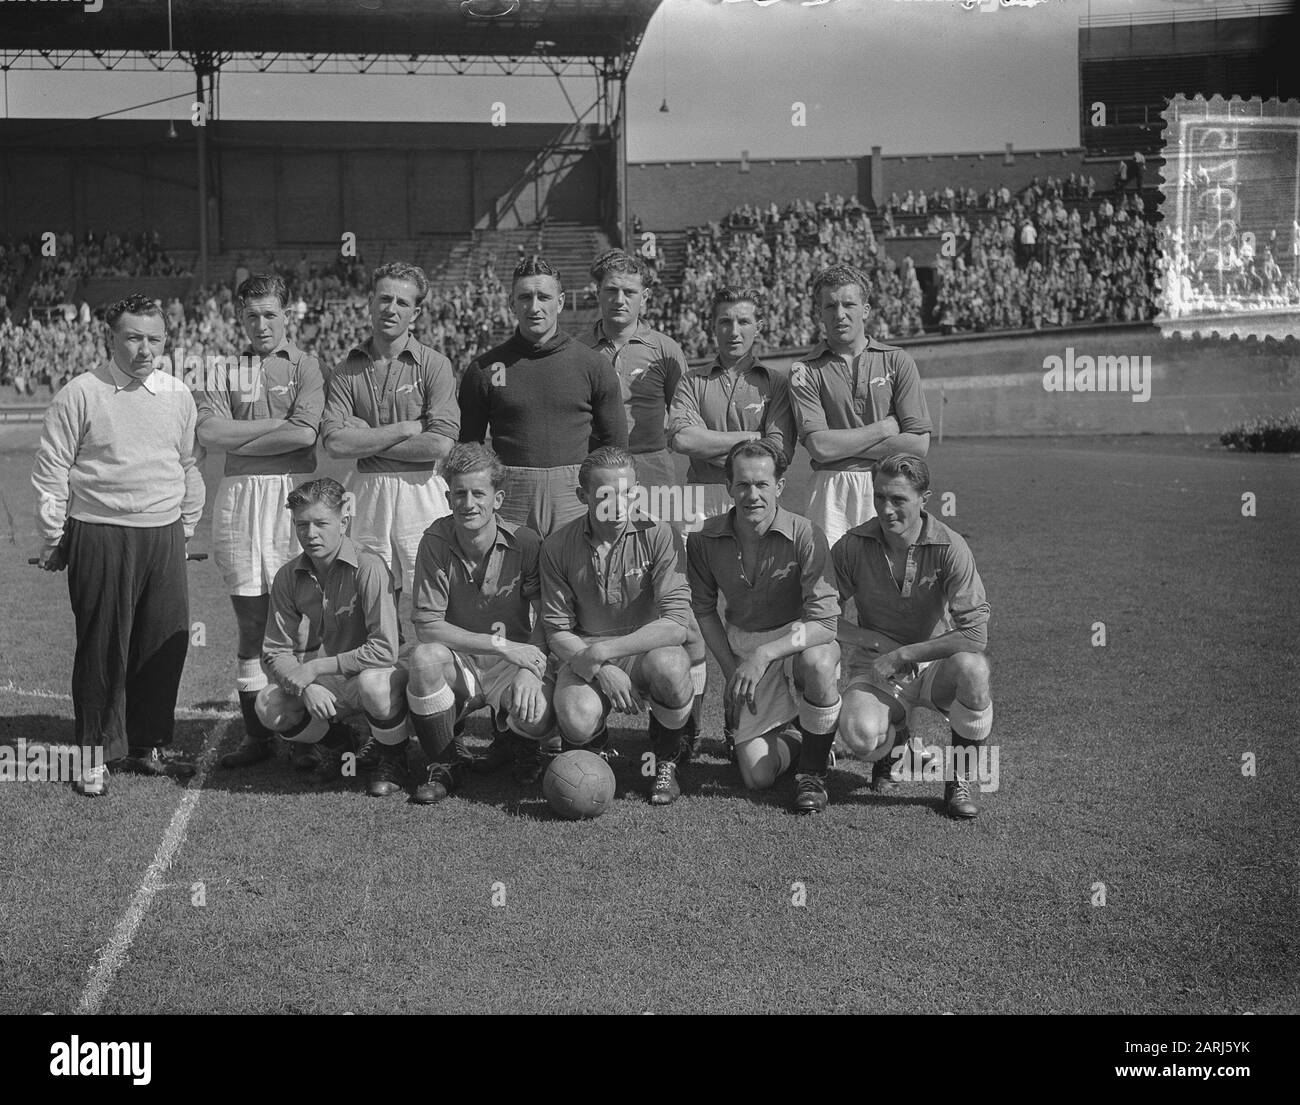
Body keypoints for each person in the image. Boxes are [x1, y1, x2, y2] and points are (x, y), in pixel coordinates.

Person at [31, 292, 205, 797]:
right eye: (133, 337)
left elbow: (189, 467)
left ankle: (147, 743)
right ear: (110, 338)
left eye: (154, 338)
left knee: (161, 645)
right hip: (100, 531)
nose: (144, 348)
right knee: (104, 648)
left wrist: (185, 527)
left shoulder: (177, 394)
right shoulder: (81, 393)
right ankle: (93, 753)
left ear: (166, 340)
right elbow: (51, 471)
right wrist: (53, 535)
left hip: (164, 534)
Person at [579, 248, 707, 763]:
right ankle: (588, 715)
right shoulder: (577, 349)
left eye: (629, 291)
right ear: (597, 294)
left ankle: (684, 720)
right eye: (610, 289)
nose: (619, 299)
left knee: (669, 589)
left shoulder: (665, 349)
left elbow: (683, 413)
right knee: (596, 577)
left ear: (645, 297)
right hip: (596, 475)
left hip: (653, 473)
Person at [195, 274, 327, 772]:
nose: (261, 324)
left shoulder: (307, 366)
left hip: (292, 497)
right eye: (251, 315)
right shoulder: (224, 369)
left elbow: (306, 433)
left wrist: (241, 438)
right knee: (252, 622)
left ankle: (307, 733)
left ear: (286, 315)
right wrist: (279, 425)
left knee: (303, 619)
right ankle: (257, 736)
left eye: (270, 314)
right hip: (239, 501)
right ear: (239, 318)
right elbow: (209, 431)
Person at [831, 454, 993, 818]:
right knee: (858, 735)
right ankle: (895, 744)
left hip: (936, 665)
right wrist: (873, 642)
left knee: (974, 669)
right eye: (879, 497)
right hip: (879, 664)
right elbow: (821, 616)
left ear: (925, 499)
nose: (886, 510)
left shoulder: (951, 546)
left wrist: (904, 655)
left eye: (899, 499)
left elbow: (974, 635)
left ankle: (959, 780)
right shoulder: (852, 546)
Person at [686, 441, 841, 807]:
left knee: (818, 662)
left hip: (798, 639)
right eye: (742, 484)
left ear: (780, 487)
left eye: (762, 484)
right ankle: (805, 737)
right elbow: (704, 610)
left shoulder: (807, 534)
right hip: (744, 645)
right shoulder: (703, 538)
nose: (752, 495)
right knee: (757, 777)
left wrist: (765, 653)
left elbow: (825, 624)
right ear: (729, 487)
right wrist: (732, 669)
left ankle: (813, 772)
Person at [540, 446, 694, 805]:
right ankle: (598, 752)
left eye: (628, 492)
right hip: (584, 653)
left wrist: (605, 653)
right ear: (583, 496)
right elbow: (556, 631)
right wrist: (600, 668)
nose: (621, 502)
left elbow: (674, 625)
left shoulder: (660, 534)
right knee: (577, 717)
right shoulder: (557, 545)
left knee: (671, 666)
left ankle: (664, 761)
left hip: (643, 649)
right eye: (607, 494)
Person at [405, 444, 556, 800]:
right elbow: (427, 627)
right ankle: (443, 764)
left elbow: (549, 615)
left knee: (538, 715)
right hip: (465, 661)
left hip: (513, 662)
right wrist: (502, 645)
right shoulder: (434, 541)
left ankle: (519, 744)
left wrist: (528, 669)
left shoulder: (527, 542)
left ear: (498, 498)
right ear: (447, 497)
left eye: (478, 493)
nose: (468, 503)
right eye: (459, 493)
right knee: (424, 659)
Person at [257, 478, 413, 797]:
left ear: (343, 521)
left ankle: (393, 760)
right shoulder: (289, 576)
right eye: (302, 525)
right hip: (334, 676)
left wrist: (315, 668)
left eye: (320, 523)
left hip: (384, 671)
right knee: (269, 706)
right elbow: (275, 651)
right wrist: (306, 684)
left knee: (373, 685)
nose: (310, 534)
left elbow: (384, 649)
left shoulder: (369, 566)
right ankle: (342, 744)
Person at [458, 255, 627, 540]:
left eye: (543, 297)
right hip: (511, 500)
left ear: (560, 302)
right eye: (525, 297)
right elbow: (469, 451)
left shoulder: (593, 365)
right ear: (512, 303)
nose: (534, 307)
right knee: (513, 583)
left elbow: (617, 448)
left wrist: (608, 501)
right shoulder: (484, 369)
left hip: (577, 498)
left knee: (576, 581)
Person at [320, 262, 459, 600]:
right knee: (373, 599)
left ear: (416, 312)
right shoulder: (345, 370)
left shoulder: (435, 364)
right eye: (384, 299)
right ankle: (385, 653)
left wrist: (367, 437)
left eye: (402, 303)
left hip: (422, 488)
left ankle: (433, 655)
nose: (391, 309)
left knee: (433, 596)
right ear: (370, 302)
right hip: (366, 492)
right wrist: (406, 429)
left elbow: (440, 444)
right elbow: (336, 443)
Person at [787, 264, 931, 549]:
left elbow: (918, 446)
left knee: (889, 581)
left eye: (848, 304)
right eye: (830, 306)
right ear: (820, 314)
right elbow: (820, 448)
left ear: (865, 309)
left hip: (891, 484)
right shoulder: (803, 370)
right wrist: (885, 428)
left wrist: (841, 445)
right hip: (830, 493)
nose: (840, 314)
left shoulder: (897, 361)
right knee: (829, 585)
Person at [667, 286, 796, 521]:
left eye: (744, 321)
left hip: (755, 494)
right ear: (713, 326)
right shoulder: (692, 381)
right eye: (725, 321)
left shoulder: (776, 383)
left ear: (759, 327)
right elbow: (683, 439)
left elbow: (779, 452)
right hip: (699, 498)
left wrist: (706, 445)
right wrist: (754, 438)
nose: (734, 331)